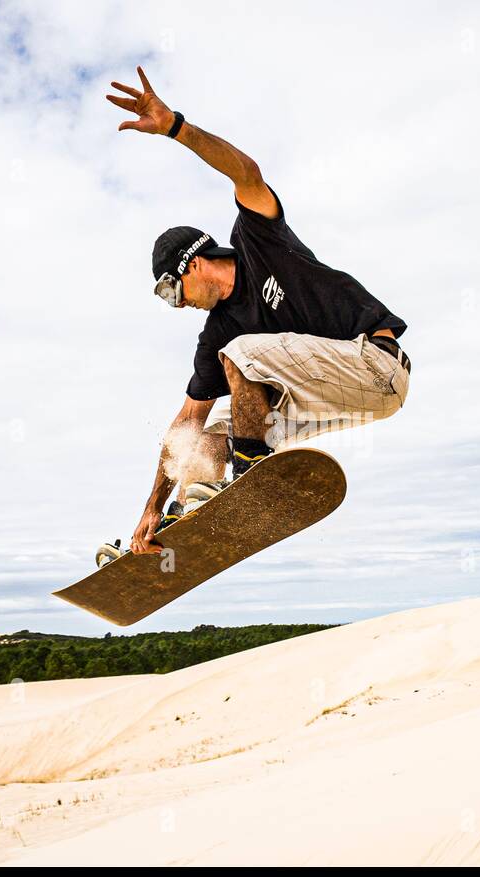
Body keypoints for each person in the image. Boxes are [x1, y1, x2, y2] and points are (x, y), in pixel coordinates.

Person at [100, 66, 413, 564]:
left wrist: (177, 127)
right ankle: (193, 508)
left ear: (194, 264)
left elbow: (246, 173)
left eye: (173, 293)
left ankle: (249, 472)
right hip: (329, 393)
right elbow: (183, 423)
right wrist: (151, 507)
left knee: (242, 353)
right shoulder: (215, 333)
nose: (178, 307)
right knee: (205, 430)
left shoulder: (256, 240)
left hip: (375, 365)